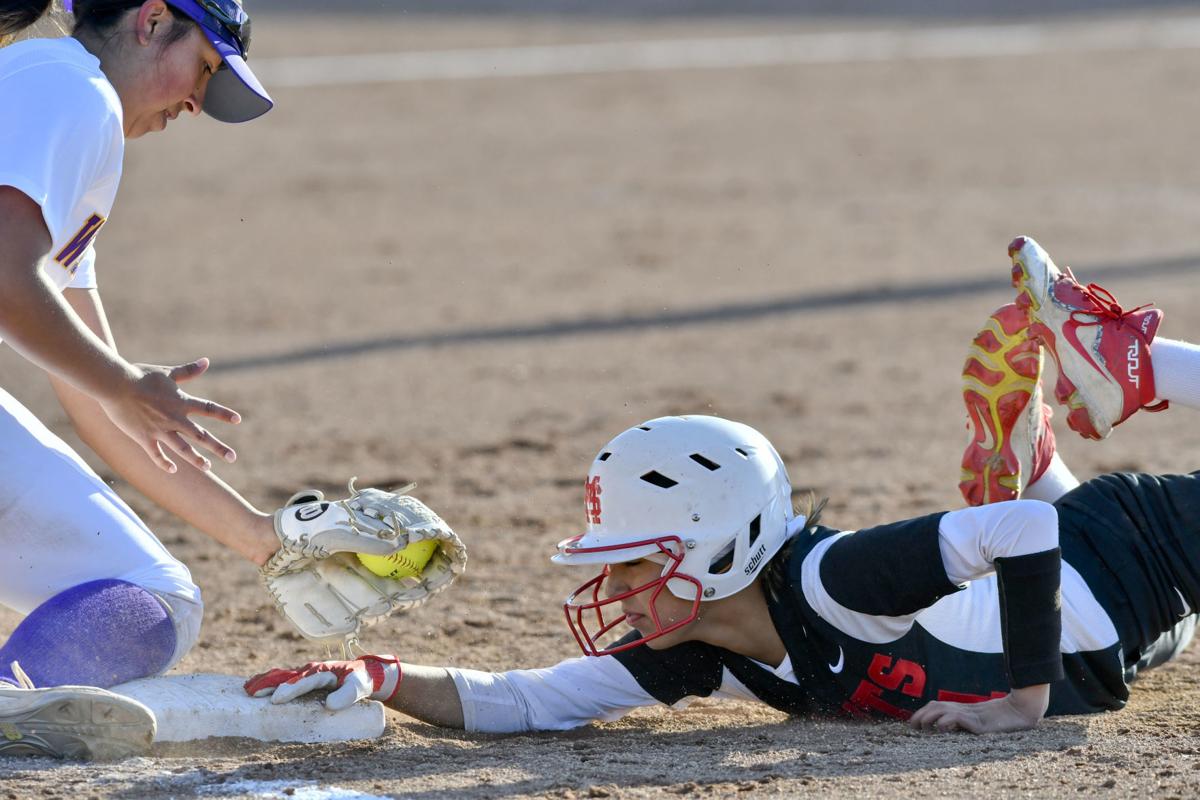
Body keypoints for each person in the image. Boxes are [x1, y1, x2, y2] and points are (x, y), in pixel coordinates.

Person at [248, 236, 1200, 735]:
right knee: (1028, 550)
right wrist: (380, 675)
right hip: (1108, 615)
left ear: (722, 551)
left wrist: (1022, 702)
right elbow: (524, 702)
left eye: (635, 565)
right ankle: (1037, 448)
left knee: (1024, 523)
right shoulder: (708, 646)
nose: (613, 590)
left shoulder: (834, 583)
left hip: (1128, 561)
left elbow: (1025, 532)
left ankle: (1143, 367)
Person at [0, 0, 281, 759]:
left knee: (144, 595)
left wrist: (267, 543)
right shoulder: (71, 89)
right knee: (149, 600)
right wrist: (126, 382)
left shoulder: (57, 95)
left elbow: (99, 399)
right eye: (205, 70)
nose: (196, 102)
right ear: (152, 20)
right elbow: (5, 276)